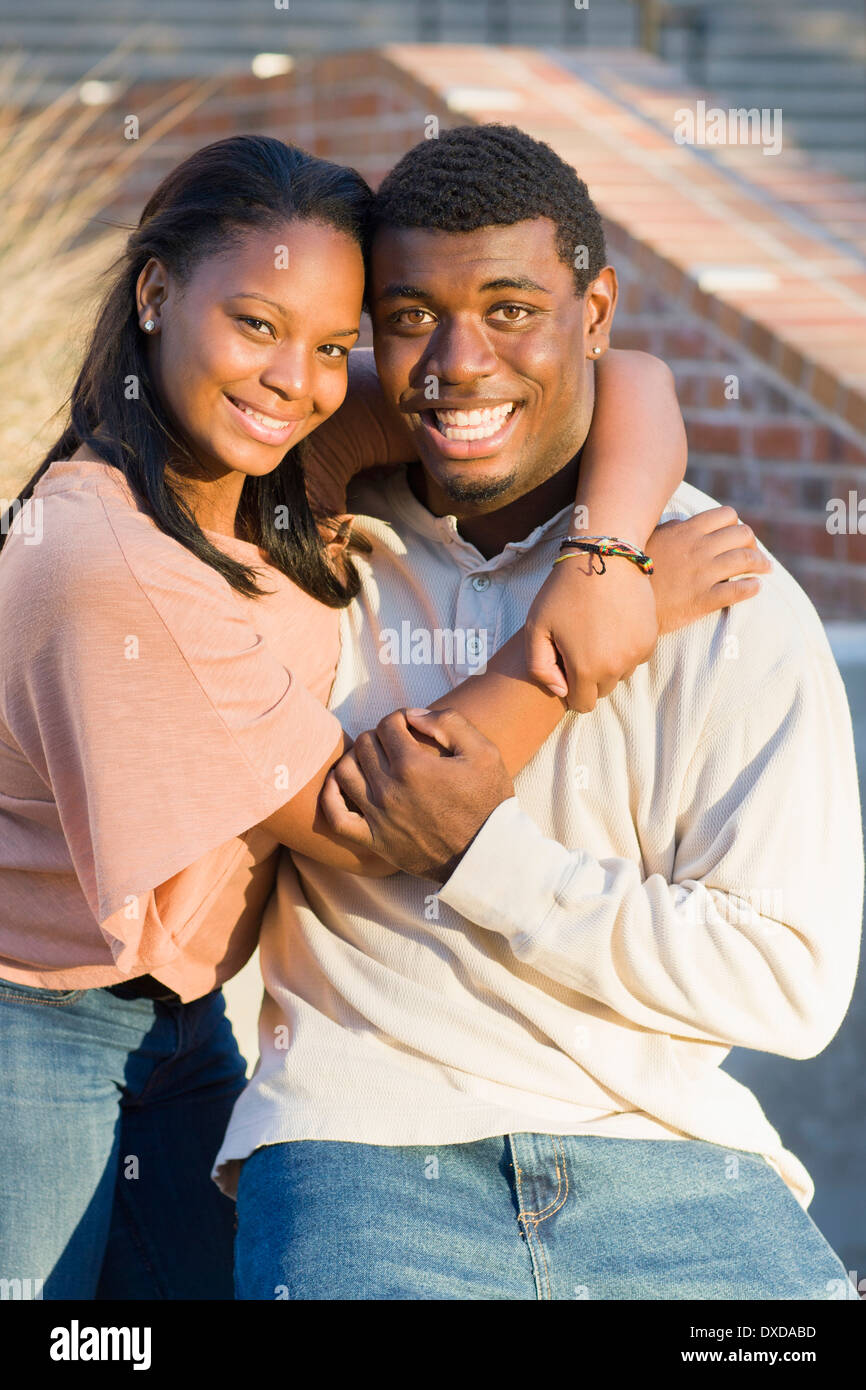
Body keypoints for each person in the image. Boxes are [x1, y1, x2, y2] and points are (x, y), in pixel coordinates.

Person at [0, 133, 747, 1300]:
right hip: (32, 1024)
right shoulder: (109, 557)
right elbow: (374, 821)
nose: (294, 379)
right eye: (254, 324)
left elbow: (623, 382)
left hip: (185, 1028)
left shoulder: (275, 460)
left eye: (334, 344)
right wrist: (611, 625)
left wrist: (598, 556)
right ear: (155, 292)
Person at [216, 125, 865, 1302]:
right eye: (411, 315)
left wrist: (492, 857)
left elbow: (790, 981)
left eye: (511, 308)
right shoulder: (308, 555)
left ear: (596, 313)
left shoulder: (721, 591)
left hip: (671, 1162)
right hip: (363, 1141)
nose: (457, 362)